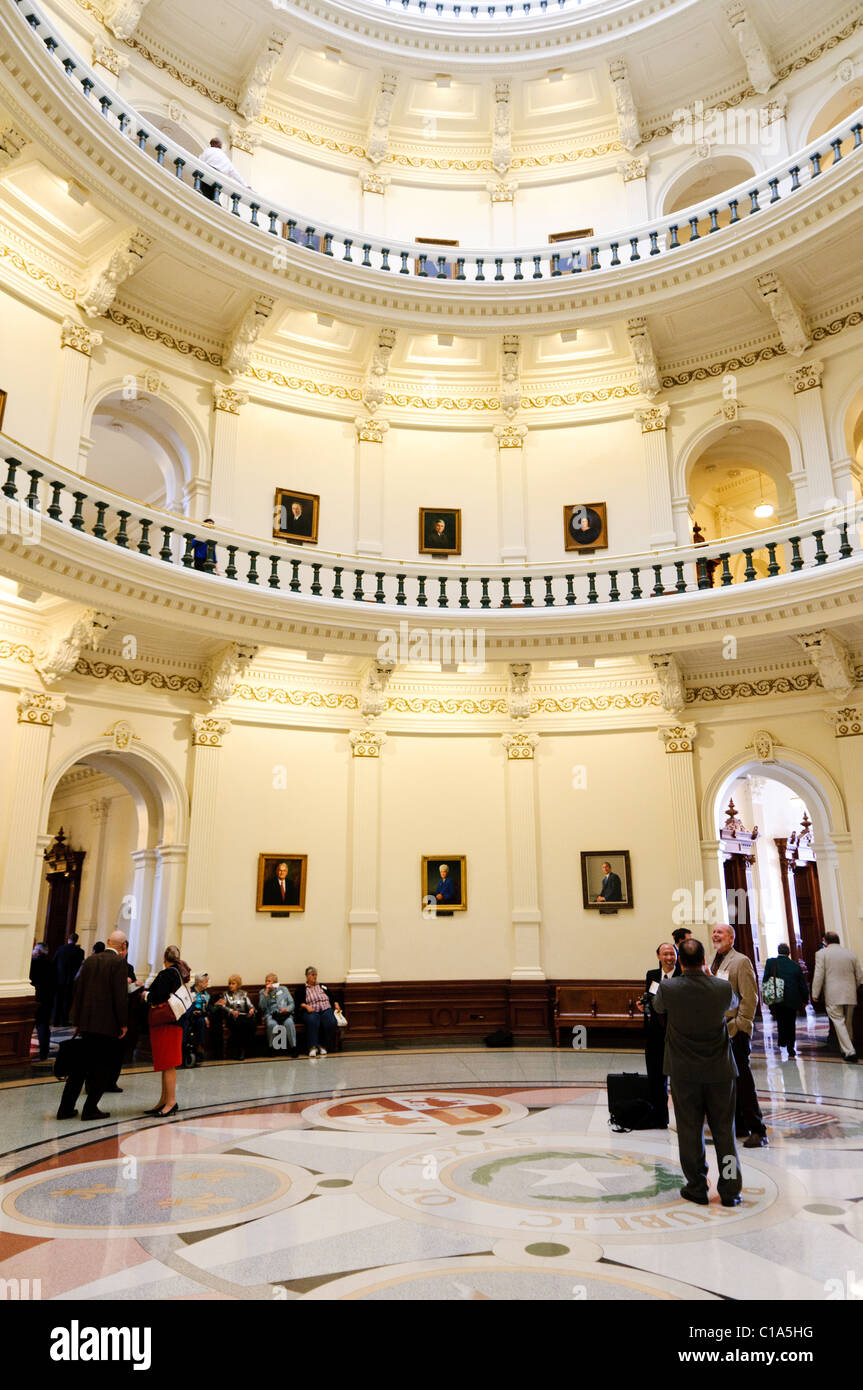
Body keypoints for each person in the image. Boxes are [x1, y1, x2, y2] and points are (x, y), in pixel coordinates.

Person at [652, 936, 742, 1208]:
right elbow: (734, 1004)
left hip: (684, 1071)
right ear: (704, 960)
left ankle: (696, 1186)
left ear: (679, 961)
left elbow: (657, 1008)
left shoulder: (669, 989)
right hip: (719, 1071)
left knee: (689, 1131)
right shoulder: (722, 987)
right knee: (724, 1132)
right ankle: (730, 1191)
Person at [57, 930, 129, 1121]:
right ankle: (90, 1109)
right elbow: (119, 996)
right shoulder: (119, 963)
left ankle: (65, 1109)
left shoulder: (90, 960)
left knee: (78, 1069)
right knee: (102, 1068)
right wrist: (123, 1023)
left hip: (86, 1023)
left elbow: (77, 989)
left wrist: (77, 1020)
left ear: (107, 941)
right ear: (123, 946)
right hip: (107, 1025)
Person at [711, 924, 767, 1147]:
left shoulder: (740, 961)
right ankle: (739, 1125)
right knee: (726, 1082)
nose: (715, 935)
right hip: (717, 1030)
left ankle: (758, 1129)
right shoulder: (712, 961)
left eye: (720, 932)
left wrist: (740, 1025)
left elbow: (750, 997)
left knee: (743, 1081)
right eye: (714, 932)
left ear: (731, 938)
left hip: (735, 1030)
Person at [637, 941, 680, 1127]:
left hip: (678, 1034)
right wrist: (643, 1006)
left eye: (672, 954)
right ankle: (660, 1117)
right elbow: (650, 999)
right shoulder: (652, 975)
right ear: (658, 956)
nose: (669, 958)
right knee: (656, 1076)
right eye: (665, 954)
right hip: (655, 1034)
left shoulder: (682, 976)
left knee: (678, 1079)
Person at [142, 945, 187, 1117]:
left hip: (166, 1023)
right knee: (166, 1064)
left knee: (168, 1064)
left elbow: (156, 995)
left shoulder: (167, 973)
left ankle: (170, 1102)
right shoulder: (181, 972)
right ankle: (163, 1100)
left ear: (164, 958)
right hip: (175, 1022)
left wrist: (145, 995)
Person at [812, 933, 863, 1064]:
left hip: (833, 994)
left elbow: (819, 974)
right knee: (848, 1023)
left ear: (825, 941)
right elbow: (859, 975)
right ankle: (847, 1048)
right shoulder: (851, 954)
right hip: (850, 993)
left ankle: (850, 1051)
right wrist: (855, 988)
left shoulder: (822, 954)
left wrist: (815, 993)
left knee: (839, 1022)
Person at [762, 943, 809, 1059]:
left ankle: (782, 1041)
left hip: (777, 997)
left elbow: (765, 980)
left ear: (778, 951)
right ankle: (790, 1046)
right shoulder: (795, 966)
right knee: (790, 1022)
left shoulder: (770, 963)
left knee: (780, 1020)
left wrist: (766, 996)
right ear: (789, 953)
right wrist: (805, 999)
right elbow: (802, 985)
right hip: (792, 999)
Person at [295, 966, 337, 1058]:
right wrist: (306, 1006)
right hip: (311, 1010)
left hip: (326, 1009)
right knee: (313, 1021)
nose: (315, 977)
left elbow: (332, 997)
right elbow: (298, 1002)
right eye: (312, 975)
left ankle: (323, 1045)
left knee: (332, 1022)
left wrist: (336, 1004)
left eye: (316, 975)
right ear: (307, 976)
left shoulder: (322, 986)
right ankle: (312, 1047)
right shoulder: (302, 989)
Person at [211, 975, 257, 1059]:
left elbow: (250, 1005)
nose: (231, 985)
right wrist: (231, 1011)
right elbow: (223, 1006)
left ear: (238, 984)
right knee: (239, 1024)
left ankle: (246, 1049)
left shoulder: (244, 993)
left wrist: (251, 1009)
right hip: (232, 1018)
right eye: (229, 983)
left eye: (233, 983)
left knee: (250, 1023)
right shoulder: (226, 994)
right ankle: (240, 1050)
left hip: (243, 1016)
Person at [198, 138, 249, 203]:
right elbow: (234, 172)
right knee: (212, 199)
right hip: (218, 181)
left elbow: (199, 162)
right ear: (219, 145)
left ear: (212, 144)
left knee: (203, 197)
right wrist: (245, 185)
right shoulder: (224, 156)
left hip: (207, 176)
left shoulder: (208, 150)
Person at [258, 974, 297, 1056]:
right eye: (266, 981)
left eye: (269, 981)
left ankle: (293, 1047)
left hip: (284, 1014)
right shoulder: (263, 992)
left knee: (289, 1023)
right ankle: (271, 1048)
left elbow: (291, 1003)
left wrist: (287, 1009)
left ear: (275, 982)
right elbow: (262, 1007)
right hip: (271, 1015)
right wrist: (266, 993)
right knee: (272, 1025)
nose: (267, 983)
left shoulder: (284, 989)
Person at [29, 941, 56, 1062]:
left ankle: (23, 1051)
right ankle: (44, 1053)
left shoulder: (32, 963)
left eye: (34, 949)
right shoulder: (51, 964)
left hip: (34, 999)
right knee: (43, 1028)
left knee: (29, 1026)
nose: (33, 951)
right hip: (47, 1000)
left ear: (38, 951)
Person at [52, 933, 84, 1025]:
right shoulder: (80, 951)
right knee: (67, 1000)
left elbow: (54, 962)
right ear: (77, 940)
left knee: (58, 1000)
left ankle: (55, 1020)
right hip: (71, 979)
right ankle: (64, 1020)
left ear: (68, 939)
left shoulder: (61, 949)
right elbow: (80, 966)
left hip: (59, 979)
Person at [185, 972, 211, 1062]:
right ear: (199, 983)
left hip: (202, 1015)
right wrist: (194, 1011)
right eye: (206, 982)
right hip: (191, 1017)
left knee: (202, 1020)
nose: (207, 984)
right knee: (200, 1021)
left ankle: (200, 1047)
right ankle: (199, 1046)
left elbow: (208, 1008)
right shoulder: (190, 992)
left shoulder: (206, 994)